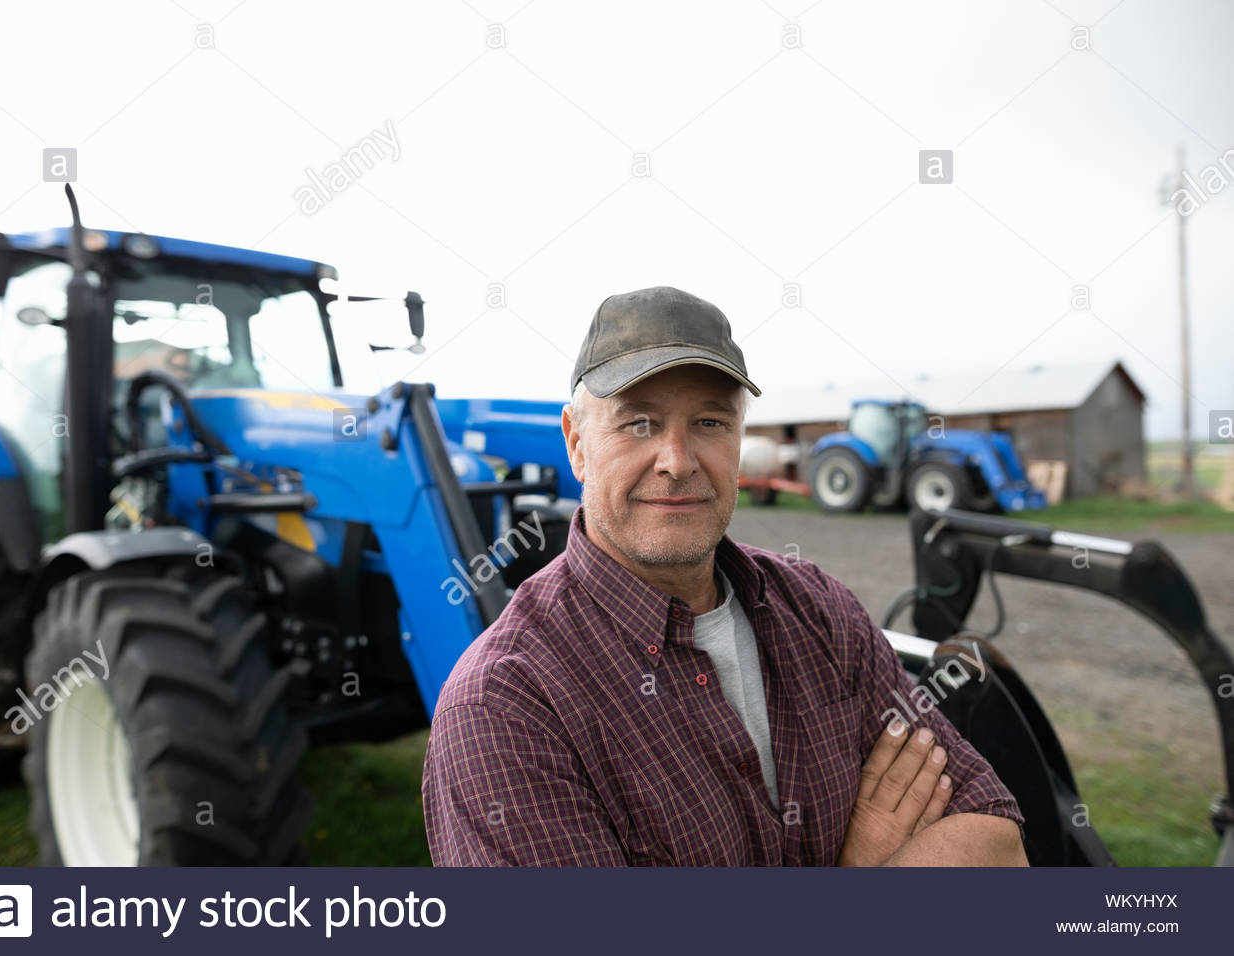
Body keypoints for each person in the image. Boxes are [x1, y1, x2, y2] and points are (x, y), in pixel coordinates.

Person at [422, 286, 1027, 866]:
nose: (678, 462)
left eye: (710, 423)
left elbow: (992, 841)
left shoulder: (818, 608)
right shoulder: (506, 705)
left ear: (739, 438)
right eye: (639, 423)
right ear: (576, 444)